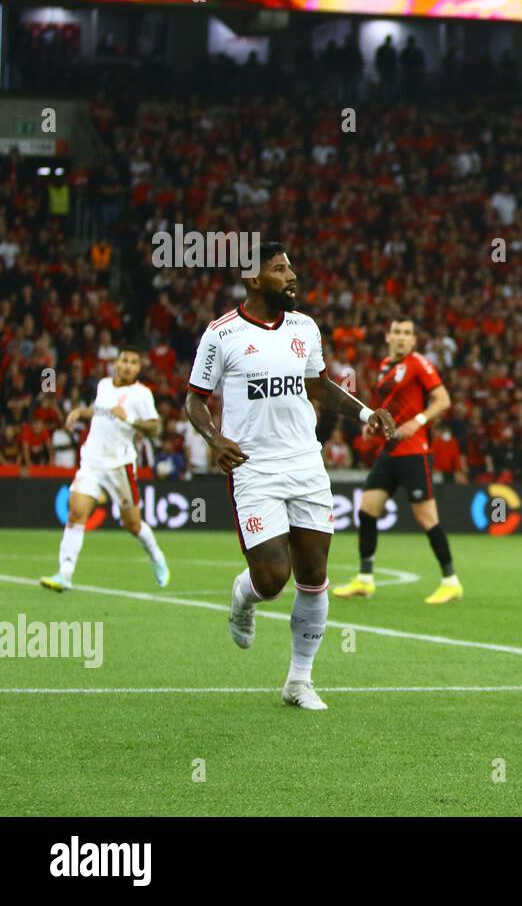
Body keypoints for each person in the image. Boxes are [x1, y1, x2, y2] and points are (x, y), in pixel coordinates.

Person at [184, 242, 396, 711]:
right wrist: (214, 438)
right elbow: (194, 399)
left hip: (305, 462)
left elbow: (319, 386)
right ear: (254, 280)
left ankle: (299, 681)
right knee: (271, 577)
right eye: (279, 269)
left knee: (314, 573)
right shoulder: (222, 335)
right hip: (254, 468)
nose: (292, 275)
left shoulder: (304, 327)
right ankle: (243, 597)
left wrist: (366, 415)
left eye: (291, 267)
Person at [334, 317, 462, 604]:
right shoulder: (384, 366)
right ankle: (365, 579)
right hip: (390, 451)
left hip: (415, 452)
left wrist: (417, 422)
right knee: (367, 509)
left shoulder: (419, 363)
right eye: (397, 332)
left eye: (407, 333)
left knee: (426, 518)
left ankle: (451, 581)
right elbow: (393, 408)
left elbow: (443, 400)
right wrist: (374, 425)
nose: (402, 337)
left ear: (414, 340)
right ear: (388, 337)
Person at [40, 347, 170, 592]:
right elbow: (99, 411)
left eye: (133, 362)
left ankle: (156, 556)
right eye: (124, 360)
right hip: (92, 462)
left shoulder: (141, 394)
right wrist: (80, 412)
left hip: (119, 466)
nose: (127, 366)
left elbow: (156, 428)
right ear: (116, 363)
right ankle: (64, 574)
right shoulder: (103, 385)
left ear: (138, 369)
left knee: (132, 524)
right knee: (76, 513)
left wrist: (130, 420)